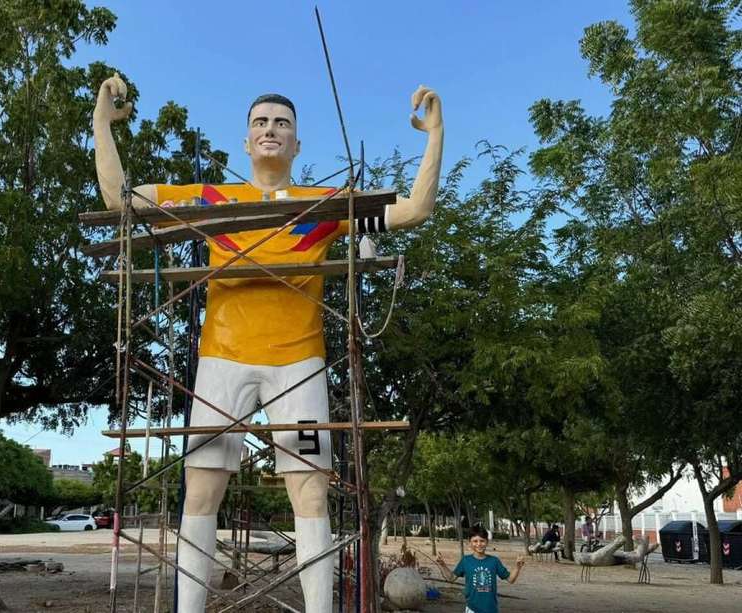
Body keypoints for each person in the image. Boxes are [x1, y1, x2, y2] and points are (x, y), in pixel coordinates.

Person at [94, 74, 444, 613]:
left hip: (298, 366)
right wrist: (102, 121)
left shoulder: (327, 203)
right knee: (202, 490)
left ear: (298, 143)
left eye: (282, 123)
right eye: (260, 122)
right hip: (221, 364)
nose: (270, 130)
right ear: (246, 140)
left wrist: (435, 134)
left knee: (309, 493)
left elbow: (414, 210)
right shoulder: (212, 198)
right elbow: (120, 197)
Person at [436, 525, 525, 613]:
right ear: (469, 542)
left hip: (491, 609)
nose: (479, 544)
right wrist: (442, 565)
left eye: (482, 541)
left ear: (487, 542)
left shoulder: (494, 561)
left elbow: (511, 579)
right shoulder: (466, 560)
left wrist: (517, 567)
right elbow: (451, 578)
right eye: (475, 541)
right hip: (472, 609)